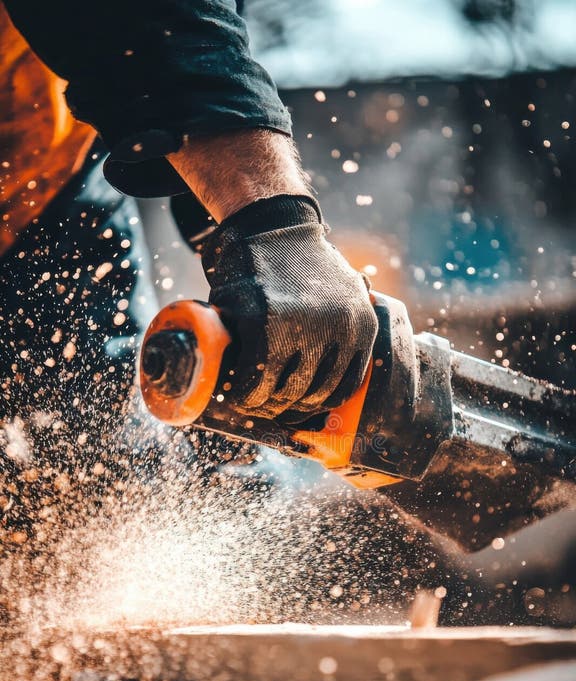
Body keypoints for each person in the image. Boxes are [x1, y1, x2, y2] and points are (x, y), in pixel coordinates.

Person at [1, 0, 378, 431]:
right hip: (37, 173)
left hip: (42, 181)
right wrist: (269, 219)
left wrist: (208, 197)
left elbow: (199, 24)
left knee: (113, 450)